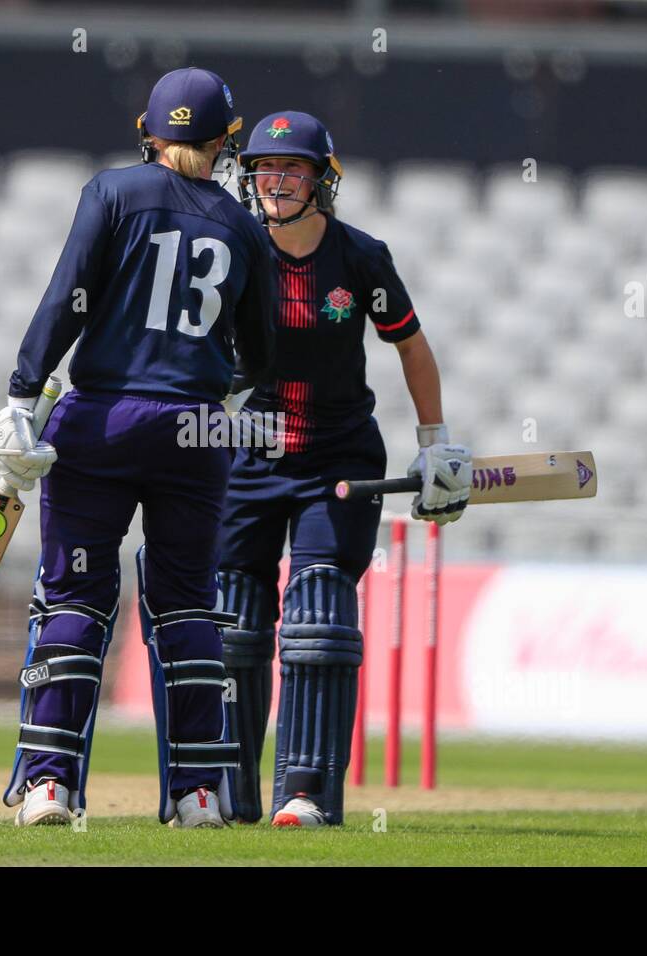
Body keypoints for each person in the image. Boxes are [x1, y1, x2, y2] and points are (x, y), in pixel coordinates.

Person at [0, 68, 275, 828]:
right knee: (187, 606)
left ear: (149, 131)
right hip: (197, 431)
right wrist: (211, 386)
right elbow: (265, 356)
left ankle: (50, 785)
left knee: (77, 596)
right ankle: (200, 793)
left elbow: (67, 296)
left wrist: (24, 394)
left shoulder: (111, 191)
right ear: (223, 140)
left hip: (103, 419)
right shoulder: (244, 227)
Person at [217, 111, 471, 827]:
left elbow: (412, 349)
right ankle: (225, 792)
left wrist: (435, 444)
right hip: (251, 454)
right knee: (232, 619)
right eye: (266, 169)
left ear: (323, 181)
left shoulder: (360, 257)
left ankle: (304, 790)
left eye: (293, 170)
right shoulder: (230, 253)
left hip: (339, 458)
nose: (276, 182)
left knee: (319, 612)